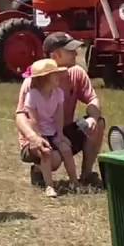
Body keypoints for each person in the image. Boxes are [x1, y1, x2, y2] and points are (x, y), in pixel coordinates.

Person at [15, 32, 105, 188]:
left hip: (62, 132)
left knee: (98, 124)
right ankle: (38, 170)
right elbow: (20, 115)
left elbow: (92, 99)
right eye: (70, 50)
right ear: (55, 55)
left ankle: (86, 175)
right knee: (54, 160)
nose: (76, 53)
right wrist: (33, 137)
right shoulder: (34, 81)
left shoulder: (77, 73)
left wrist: (93, 117)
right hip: (39, 135)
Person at [22, 59, 80, 198]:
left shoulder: (58, 92)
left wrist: (60, 134)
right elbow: (33, 120)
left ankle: (75, 182)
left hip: (53, 131)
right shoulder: (33, 95)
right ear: (44, 79)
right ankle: (49, 185)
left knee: (66, 149)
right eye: (54, 75)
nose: (58, 78)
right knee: (46, 152)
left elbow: (59, 116)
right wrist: (39, 137)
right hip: (39, 132)